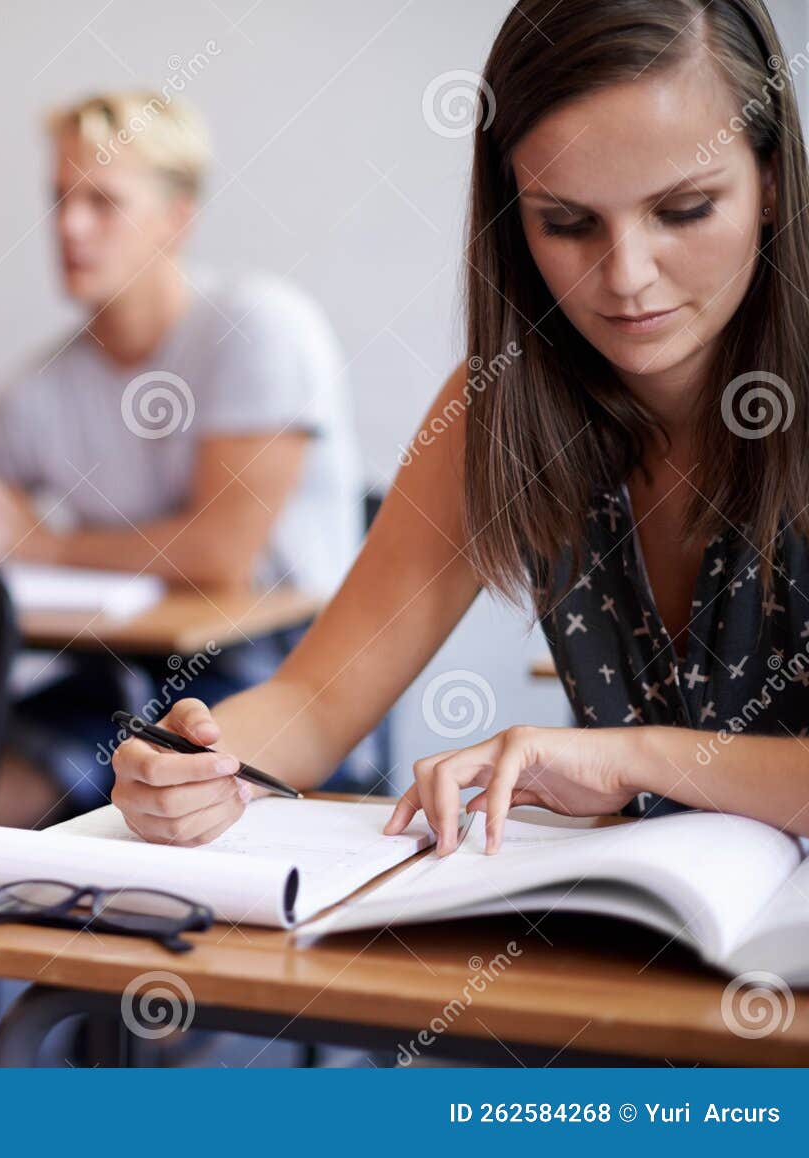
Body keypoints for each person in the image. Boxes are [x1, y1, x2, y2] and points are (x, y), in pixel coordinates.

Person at [110, 0, 809, 856]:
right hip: (642, 958)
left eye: (686, 209)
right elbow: (317, 701)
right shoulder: (497, 411)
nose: (626, 276)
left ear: (771, 182)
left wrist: (632, 760)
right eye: (567, 222)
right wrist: (194, 765)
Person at [0, 92, 364, 826]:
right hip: (122, 681)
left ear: (177, 218)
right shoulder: (42, 381)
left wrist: (43, 543)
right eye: (60, 198)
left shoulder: (258, 328)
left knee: (165, 821)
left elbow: (220, 555)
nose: (69, 226)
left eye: (103, 202)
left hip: (284, 682)